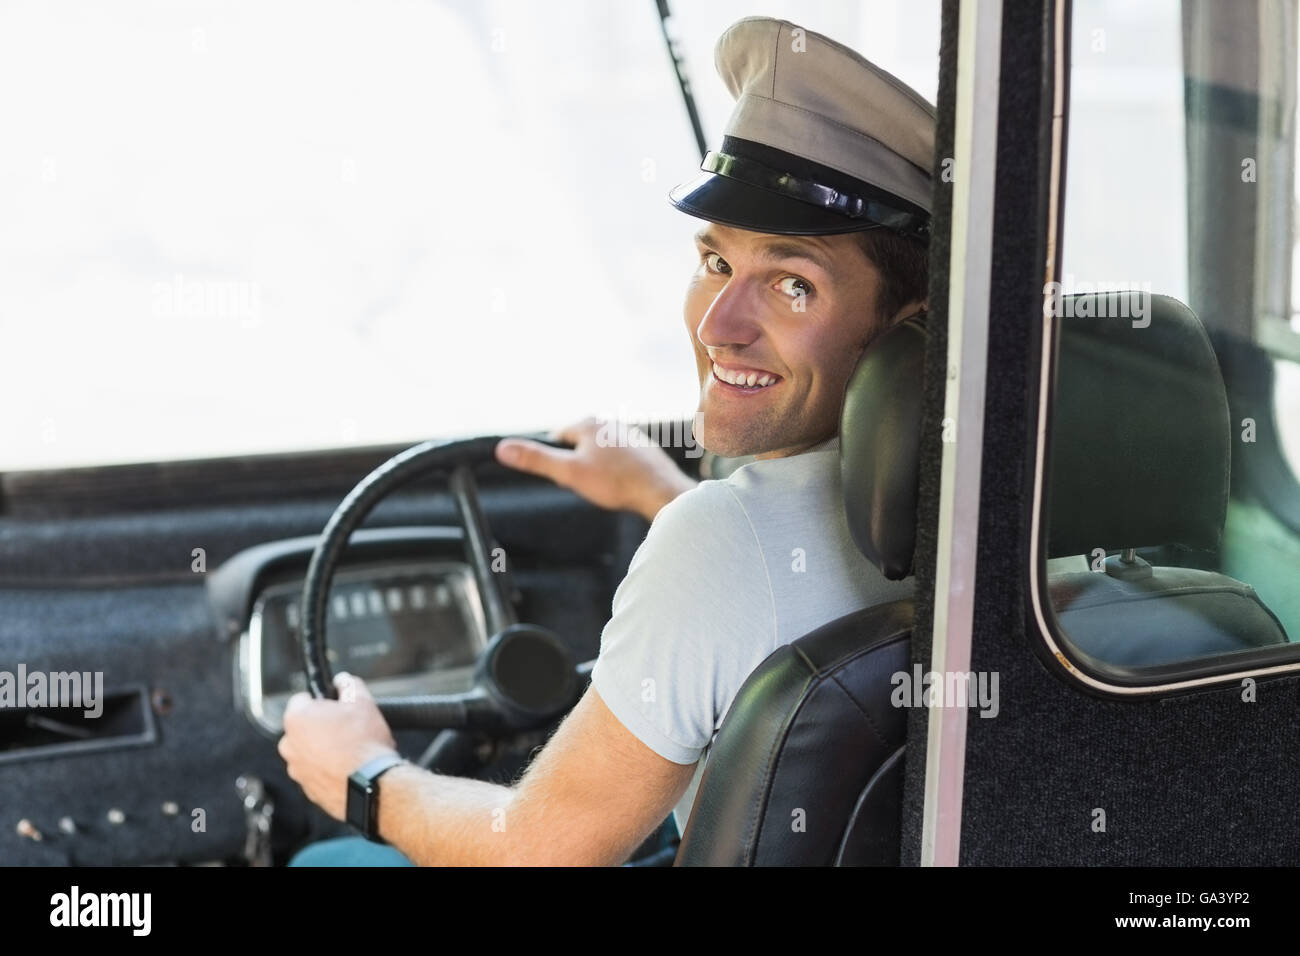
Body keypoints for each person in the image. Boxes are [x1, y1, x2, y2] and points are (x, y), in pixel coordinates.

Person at [280, 15, 934, 866]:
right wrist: (659, 491)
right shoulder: (1006, 518)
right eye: (715, 261)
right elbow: (779, 584)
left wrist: (363, 774)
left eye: (791, 283)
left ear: (907, 331)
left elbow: (539, 850)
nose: (719, 324)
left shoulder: (718, 543)